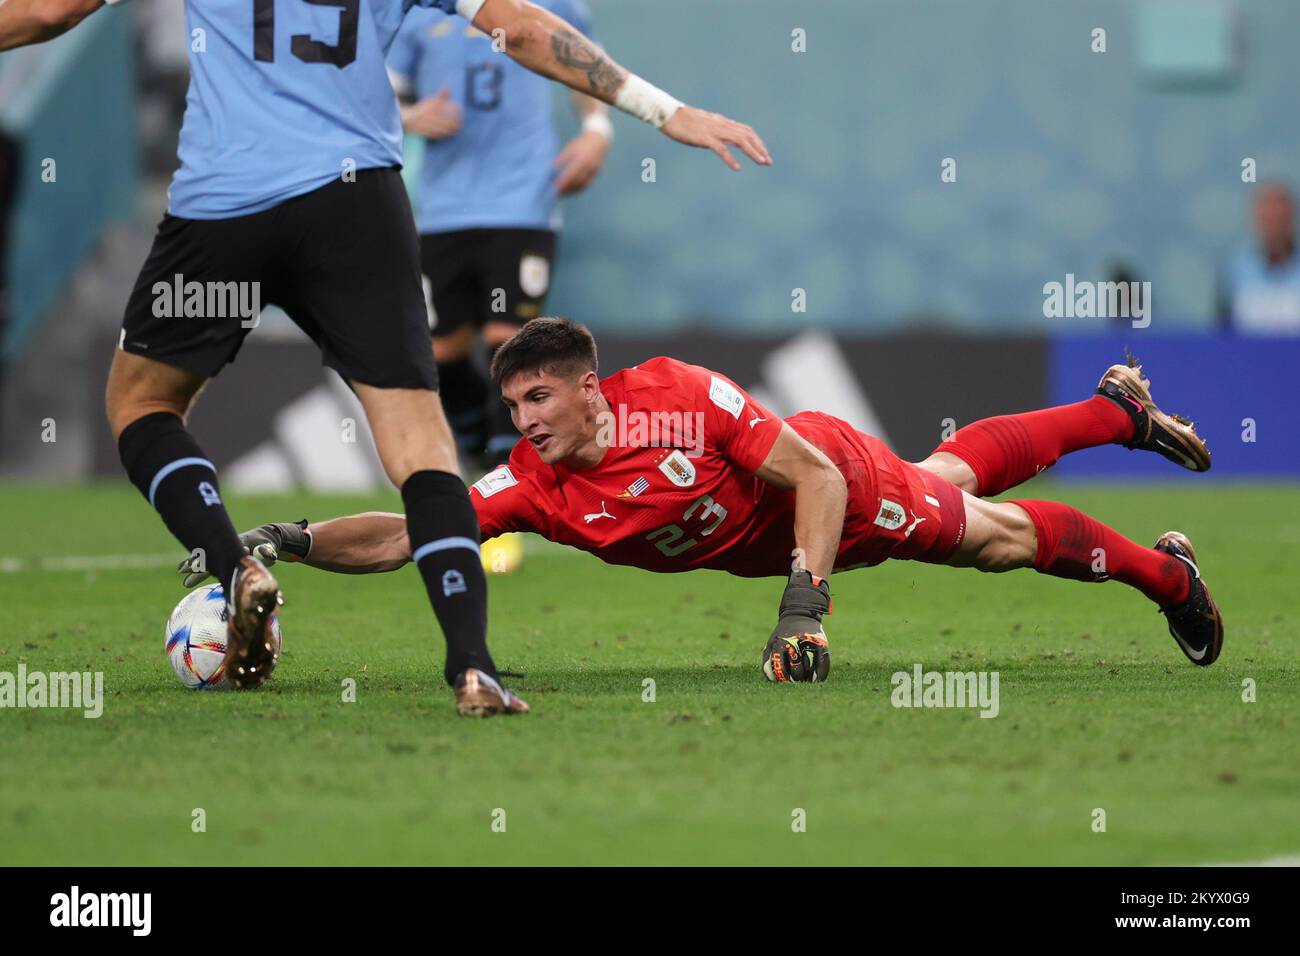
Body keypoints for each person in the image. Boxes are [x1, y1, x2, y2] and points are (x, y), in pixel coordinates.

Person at [0, 0, 771, 716]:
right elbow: (528, 30)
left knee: (142, 404)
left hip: (226, 211)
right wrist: (664, 112)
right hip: (355, 210)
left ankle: (234, 566)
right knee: (418, 442)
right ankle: (472, 665)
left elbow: (42, 11)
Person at [184, 318, 1224, 683]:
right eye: (512, 403)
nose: (525, 417)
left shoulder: (678, 397)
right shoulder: (535, 486)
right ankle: (1114, 411)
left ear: (588, 385)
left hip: (831, 486)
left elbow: (810, 476)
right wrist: (284, 536)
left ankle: (1165, 574)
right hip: (802, 525)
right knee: (950, 474)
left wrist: (803, 606)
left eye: (539, 395)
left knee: (983, 537)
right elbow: (417, 533)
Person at [389, 0, 610, 465]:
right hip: (443, 210)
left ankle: (514, 477)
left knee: (508, 343)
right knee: (440, 354)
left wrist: (596, 128)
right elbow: (382, 93)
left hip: (522, 202)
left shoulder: (553, 5)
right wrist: (409, 117)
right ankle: (485, 460)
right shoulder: (416, 12)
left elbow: (585, 64)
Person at [1220, 183, 1300, 333]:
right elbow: (1223, 330)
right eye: (1268, 218)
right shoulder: (1236, 271)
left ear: (1292, 218)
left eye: (1280, 218)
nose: (1274, 226)